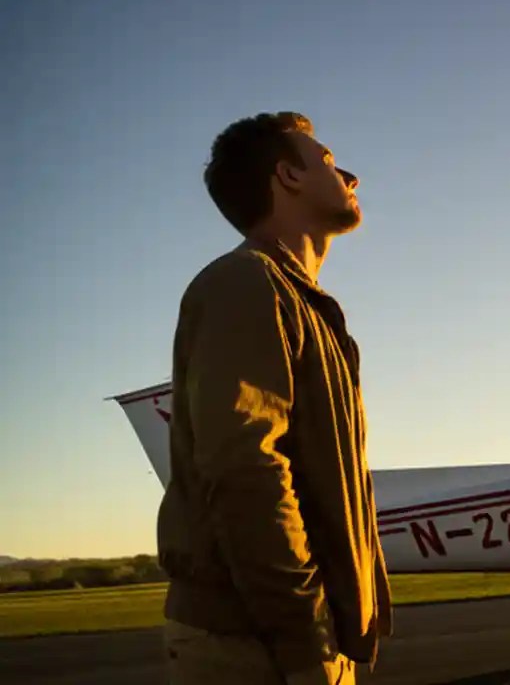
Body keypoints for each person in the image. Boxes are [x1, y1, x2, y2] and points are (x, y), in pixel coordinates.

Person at [157, 112, 392, 684]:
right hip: (260, 646)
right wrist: (305, 641)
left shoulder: (300, 301)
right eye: (331, 162)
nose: (352, 175)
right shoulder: (247, 284)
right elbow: (249, 473)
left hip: (302, 637)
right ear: (288, 176)